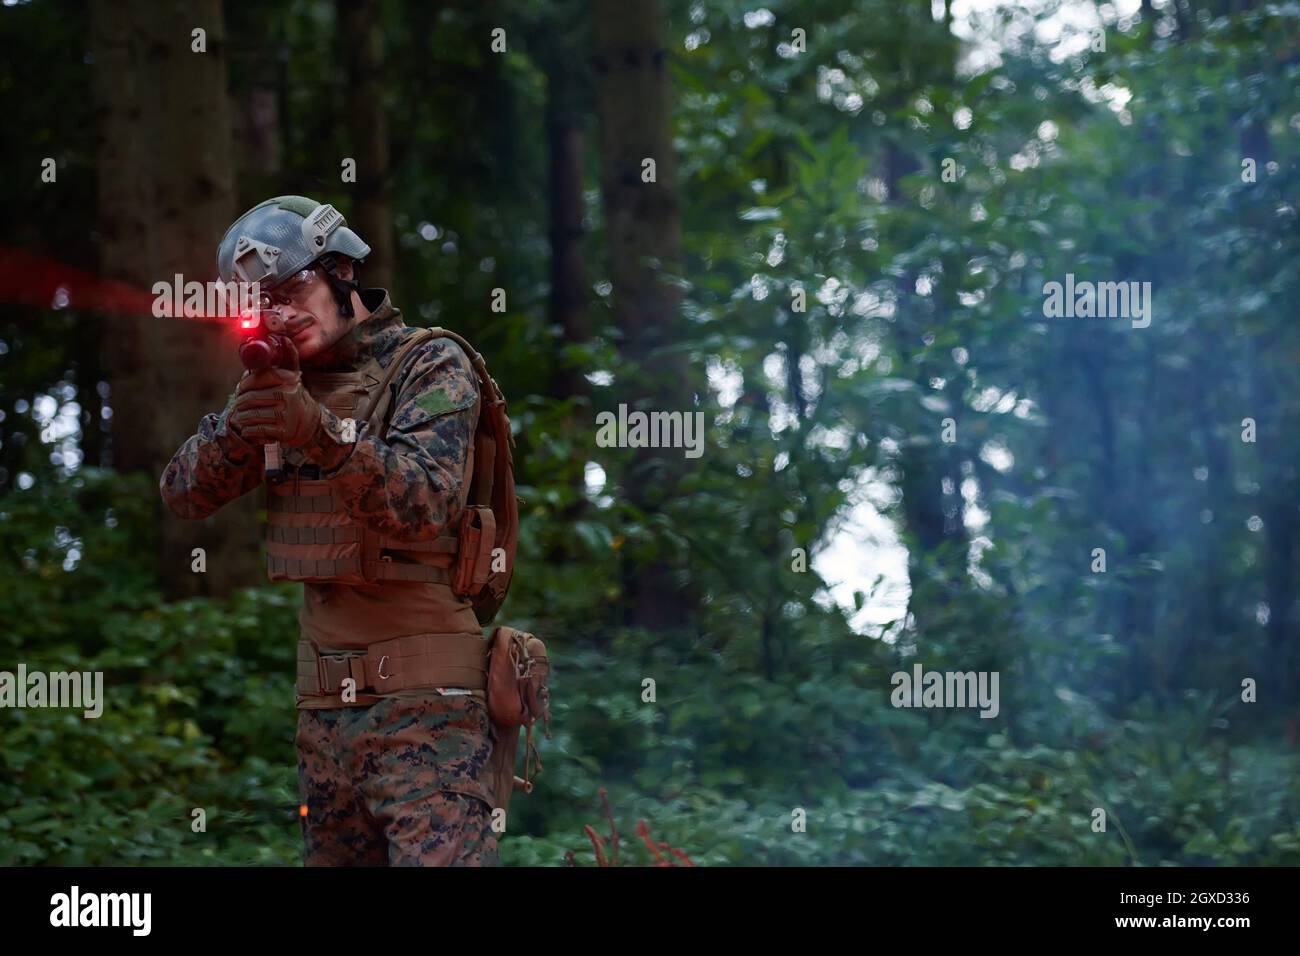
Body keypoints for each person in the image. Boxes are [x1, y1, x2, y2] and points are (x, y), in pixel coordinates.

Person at [160, 195, 502, 866]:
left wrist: (312, 430)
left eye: (291, 289)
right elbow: (184, 494)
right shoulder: (286, 383)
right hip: (324, 715)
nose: (279, 313)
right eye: (262, 303)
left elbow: (425, 502)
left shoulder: (428, 364)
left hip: (428, 707)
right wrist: (246, 420)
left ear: (343, 271)